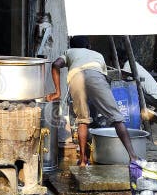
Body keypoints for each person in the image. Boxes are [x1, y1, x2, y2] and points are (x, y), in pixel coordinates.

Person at [44, 36, 141, 174]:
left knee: (83, 120)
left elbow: (55, 64)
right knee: (116, 117)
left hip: (75, 78)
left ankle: (83, 161)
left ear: (72, 46)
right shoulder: (97, 55)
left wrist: (57, 92)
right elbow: (102, 80)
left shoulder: (69, 52)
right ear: (89, 46)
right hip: (96, 76)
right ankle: (133, 157)